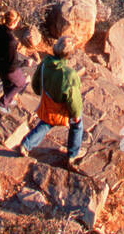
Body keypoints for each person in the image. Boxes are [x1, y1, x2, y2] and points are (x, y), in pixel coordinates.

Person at [18, 36, 86, 166]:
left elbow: (36, 84)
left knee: (47, 122)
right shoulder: (69, 74)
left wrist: (42, 93)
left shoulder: (45, 64)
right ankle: (72, 155)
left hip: (48, 102)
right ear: (69, 54)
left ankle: (26, 144)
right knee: (77, 126)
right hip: (62, 107)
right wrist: (76, 115)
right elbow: (74, 100)